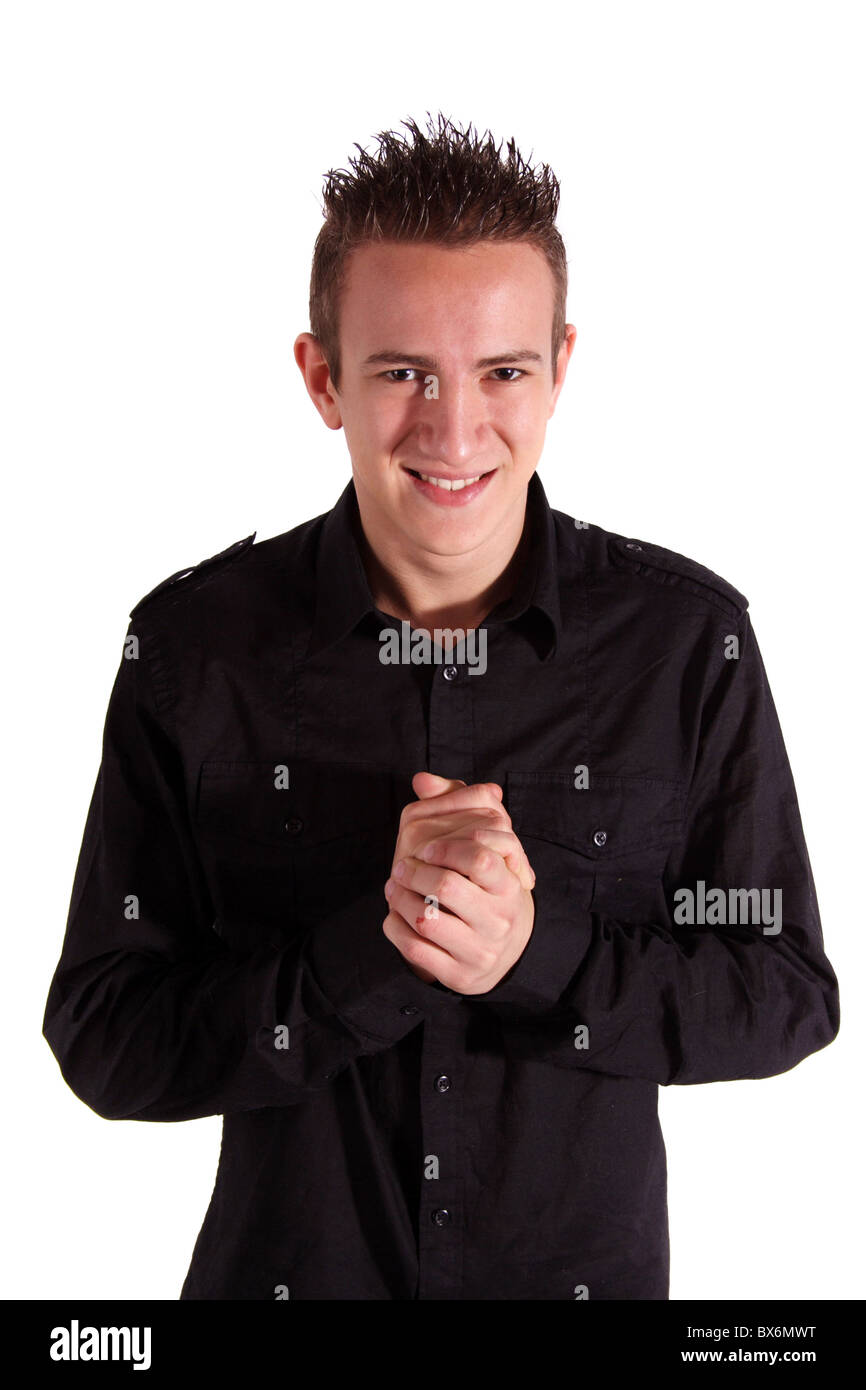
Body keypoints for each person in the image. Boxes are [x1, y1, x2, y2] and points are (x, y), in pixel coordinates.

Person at [43, 114, 839, 1300]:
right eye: (403, 370)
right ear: (323, 378)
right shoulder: (193, 649)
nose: (455, 430)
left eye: (502, 371)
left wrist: (539, 954)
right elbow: (107, 1035)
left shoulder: (684, 643)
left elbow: (782, 993)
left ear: (560, 368)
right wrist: (364, 959)